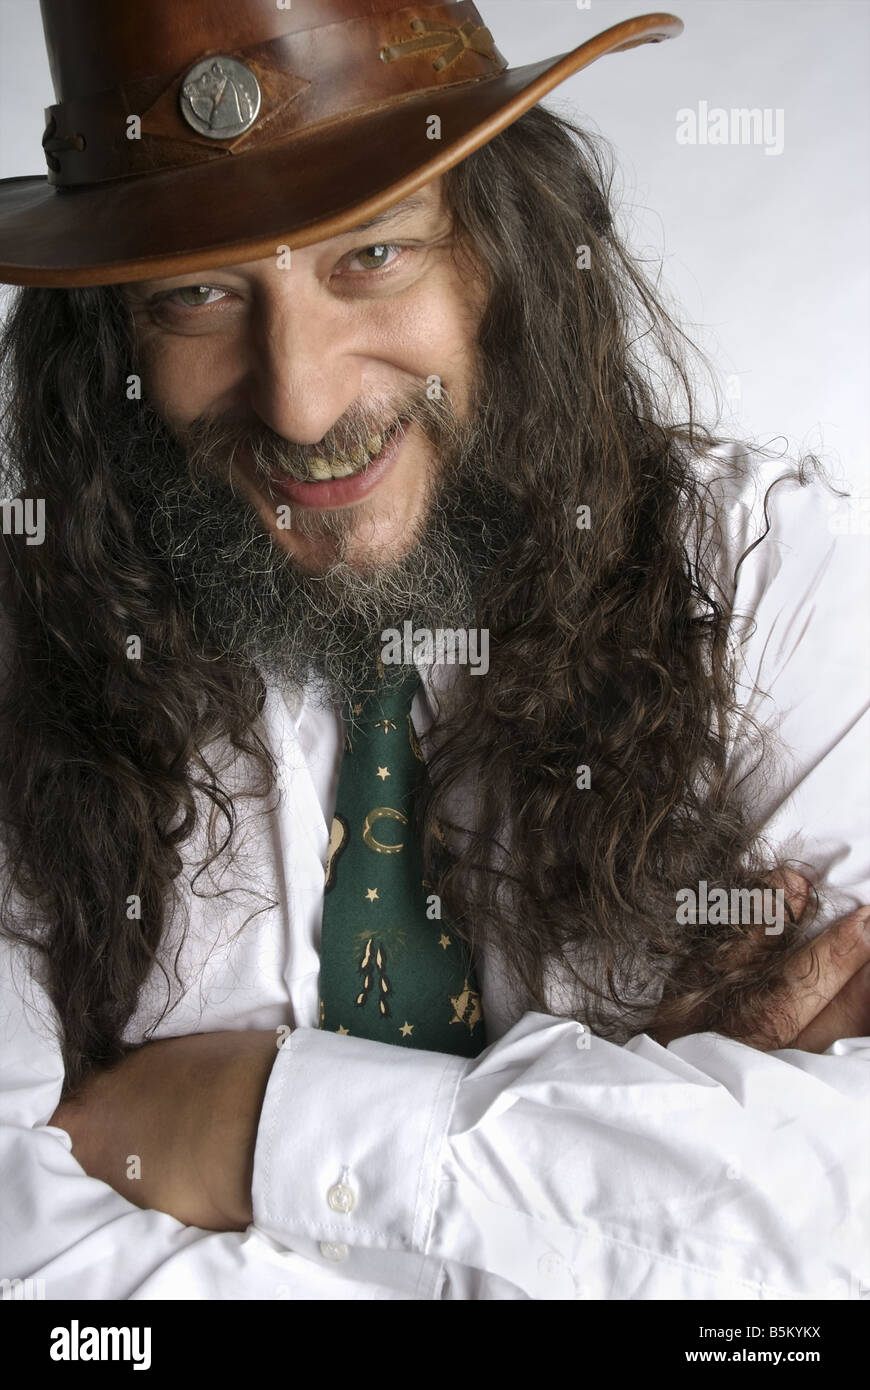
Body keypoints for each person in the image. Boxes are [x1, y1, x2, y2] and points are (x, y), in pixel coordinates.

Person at [0, 1, 867, 1301]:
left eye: (371, 257)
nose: (300, 397)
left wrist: (252, 1124)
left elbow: (839, 1228)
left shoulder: (774, 581)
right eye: (196, 292)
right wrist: (629, 1166)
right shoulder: (26, 663)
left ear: (504, 252)